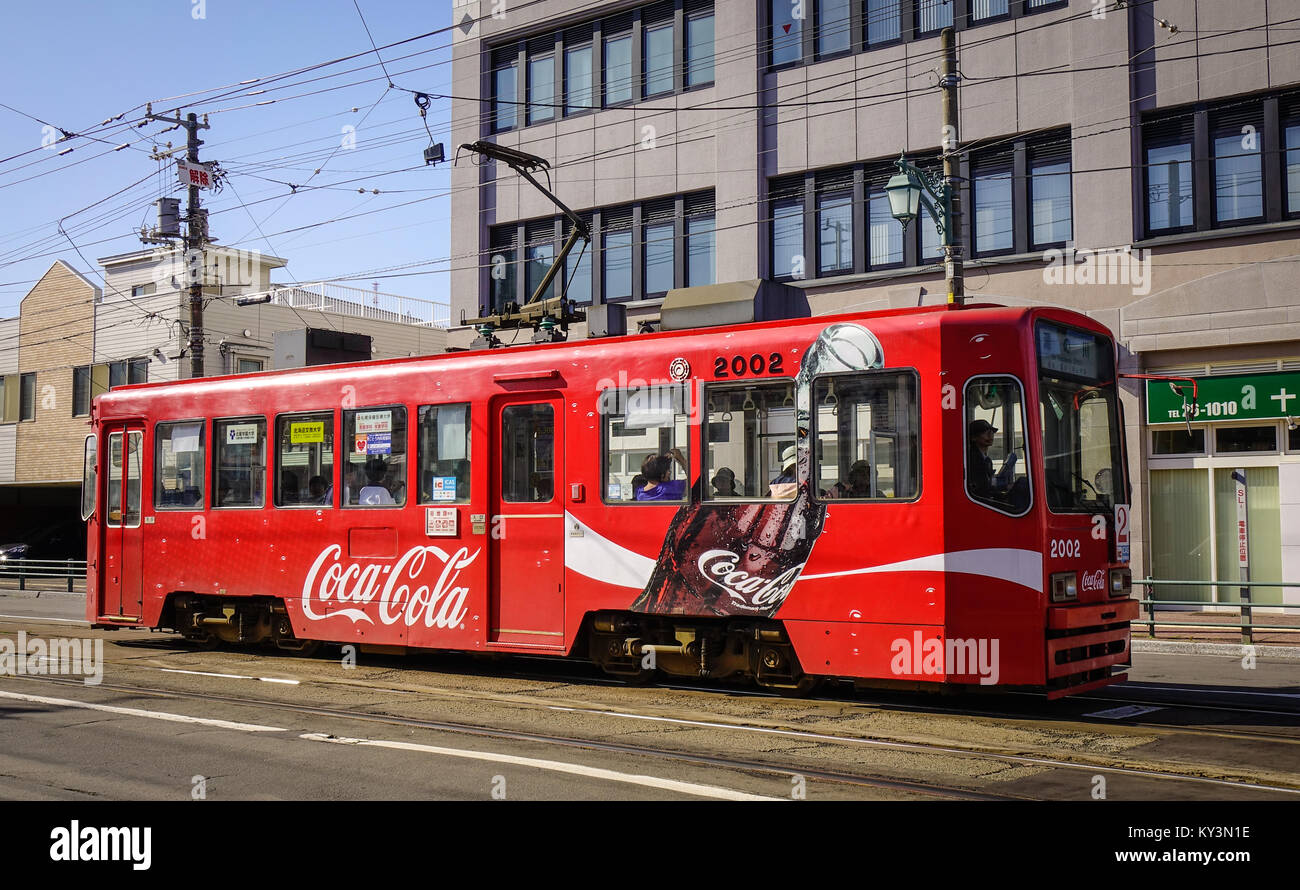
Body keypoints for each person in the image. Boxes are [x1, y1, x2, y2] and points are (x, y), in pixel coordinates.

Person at [967, 419, 1017, 499]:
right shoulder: (972, 459)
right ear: (973, 438)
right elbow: (982, 489)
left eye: (992, 432)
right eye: (984, 432)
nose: (990, 435)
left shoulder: (987, 460)